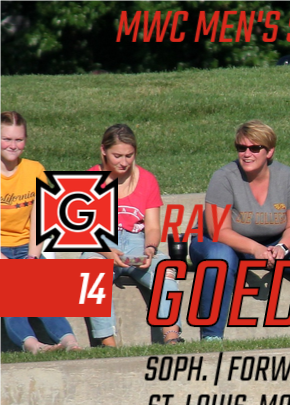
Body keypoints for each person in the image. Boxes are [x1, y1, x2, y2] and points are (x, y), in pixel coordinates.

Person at [189, 120, 290, 341]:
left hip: (272, 239)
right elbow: (219, 231)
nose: (247, 153)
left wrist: (282, 247)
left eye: (255, 148)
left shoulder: (286, 176)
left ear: (269, 151)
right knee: (220, 258)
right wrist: (255, 249)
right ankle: (211, 335)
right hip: (217, 240)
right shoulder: (223, 177)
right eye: (241, 148)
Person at [81, 124, 184, 346]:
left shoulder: (146, 180)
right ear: (103, 151)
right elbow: (83, 230)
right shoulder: (90, 178)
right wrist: (107, 252)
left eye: (129, 155)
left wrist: (150, 249)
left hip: (137, 242)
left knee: (165, 270)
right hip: (102, 243)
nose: (124, 162)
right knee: (92, 273)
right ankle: (108, 344)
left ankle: (172, 337)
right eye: (117, 155)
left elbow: (153, 227)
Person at [0, 111, 83, 354]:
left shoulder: (35, 170)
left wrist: (33, 257)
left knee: (46, 289)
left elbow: (40, 218)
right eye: (6, 139)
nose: (13, 145)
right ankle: (32, 345)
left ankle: (69, 342)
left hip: (27, 246)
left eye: (19, 139)